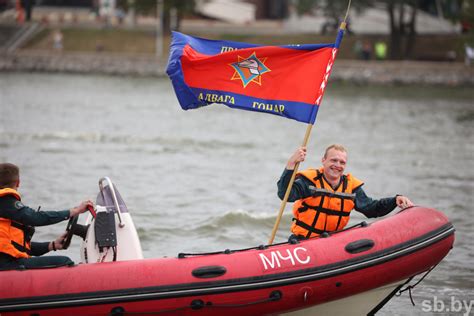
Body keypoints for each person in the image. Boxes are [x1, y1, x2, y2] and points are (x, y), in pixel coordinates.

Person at [278, 145, 413, 241]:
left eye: (342, 162)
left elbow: (372, 209)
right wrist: (291, 164)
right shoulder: (308, 182)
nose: (337, 165)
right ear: (323, 160)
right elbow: (285, 195)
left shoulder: (351, 187)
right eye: (333, 160)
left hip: (333, 245)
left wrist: (395, 199)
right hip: (303, 242)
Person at [0, 163, 94, 270]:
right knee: (64, 261)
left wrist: (52, 245)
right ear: (18, 183)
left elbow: (18, 246)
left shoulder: (5, 206)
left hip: (7, 262)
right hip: (7, 264)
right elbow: (36, 218)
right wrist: (75, 211)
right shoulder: (6, 202)